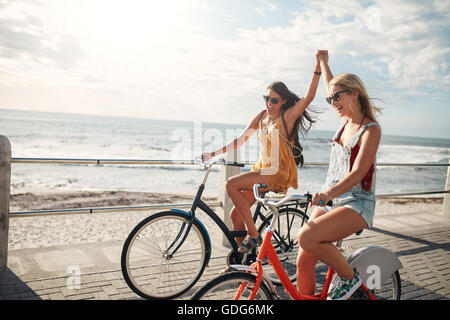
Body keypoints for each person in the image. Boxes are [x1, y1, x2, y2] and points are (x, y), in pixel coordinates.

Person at [202, 51, 323, 253]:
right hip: (262, 170)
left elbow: (309, 97)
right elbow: (240, 139)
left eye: (274, 100)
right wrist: (212, 154)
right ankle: (245, 259)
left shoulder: (287, 117)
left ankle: (254, 235)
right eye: (266, 98)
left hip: (276, 172)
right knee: (235, 216)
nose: (269, 103)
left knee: (231, 184)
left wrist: (318, 64)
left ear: (283, 101)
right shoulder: (260, 117)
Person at [296, 50, 382, 300]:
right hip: (332, 200)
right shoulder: (344, 121)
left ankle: (350, 279)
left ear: (355, 93)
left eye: (337, 98)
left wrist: (328, 194)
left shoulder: (370, 130)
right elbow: (330, 85)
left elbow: (358, 173)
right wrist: (323, 62)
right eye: (330, 99)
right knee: (303, 258)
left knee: (306, 236)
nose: (333, 102)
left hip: (357, 203)